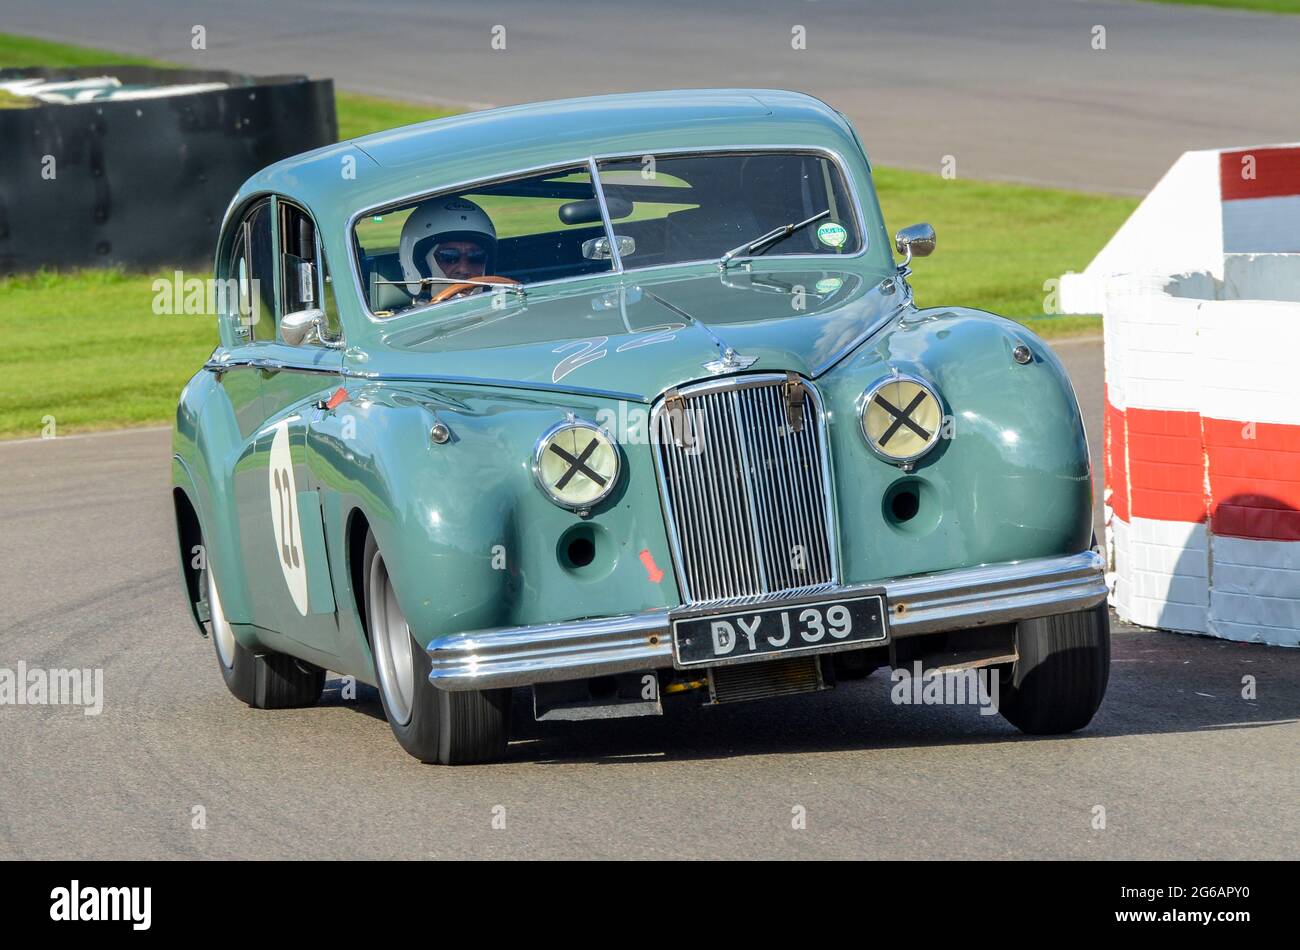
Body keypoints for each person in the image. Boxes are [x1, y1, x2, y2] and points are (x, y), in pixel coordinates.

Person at [398, 196, 498, 301]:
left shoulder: (508, 305)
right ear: (421, 264)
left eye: (476, 257)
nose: (464, 269)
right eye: (449, 256)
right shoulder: (404, 317)